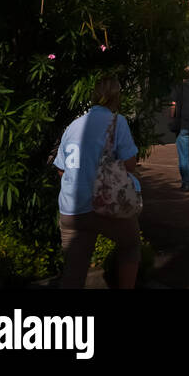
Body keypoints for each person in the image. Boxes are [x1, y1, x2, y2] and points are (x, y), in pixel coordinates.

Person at [54, 74, 141, 289]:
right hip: (102, 204)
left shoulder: (73, 125)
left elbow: (60, 169)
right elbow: (130, 165)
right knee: (130, 246)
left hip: (71, 210)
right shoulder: (116, 121)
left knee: (74, 272)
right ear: (116, 97)